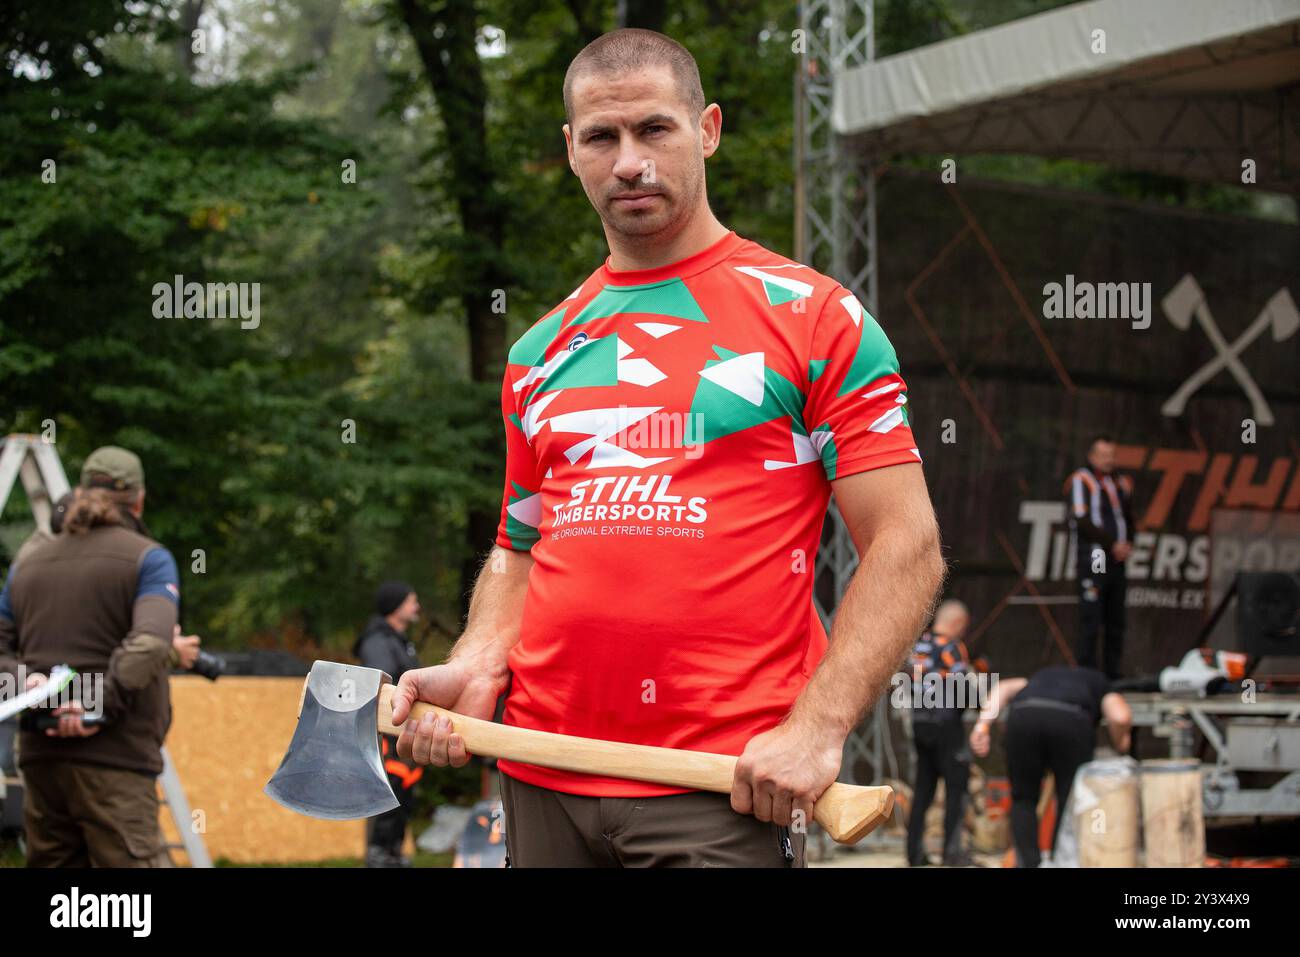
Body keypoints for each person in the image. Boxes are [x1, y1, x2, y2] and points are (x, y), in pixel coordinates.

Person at [389, 28, 944, 868]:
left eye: (655, 130)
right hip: (543, 771)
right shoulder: (539, 350)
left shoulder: (814, 316)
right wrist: (475, 660)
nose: (629, 163)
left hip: (722, 782)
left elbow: (907, 546)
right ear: (570, 150)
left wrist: (816, 728)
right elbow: (520, 544)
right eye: (602, 137)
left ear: (707, 129)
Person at [0, 446, 197, 867]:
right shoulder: (149, 559)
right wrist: (94, 706)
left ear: (81, 492)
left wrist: (36, 690)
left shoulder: (27, 565)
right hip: (116, 761)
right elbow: (149, 643)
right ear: (139, 500)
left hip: (41, 761)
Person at [969, 665, 1131, 868]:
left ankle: (1028, 863)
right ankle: (1061, 860)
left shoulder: (1037, 678)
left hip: (1023, 716)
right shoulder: (1101, 683)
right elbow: (1120, 716)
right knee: (1069, 798)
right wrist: (1122, 743)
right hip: (1071, 720)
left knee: (1023, 798)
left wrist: (983, 726)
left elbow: (1002, 688)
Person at [905, 599, 982, 867]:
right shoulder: (952, 648)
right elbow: (962, 687)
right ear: (958, 623)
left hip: (920, 723)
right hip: (946, 725)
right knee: (956, 789)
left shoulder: (918, 646)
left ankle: (914, 854)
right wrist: (978, 702)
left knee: (923, 789)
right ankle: (952, 853)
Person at [354, 580, 423, 868]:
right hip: (385, 733)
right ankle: (379, 855)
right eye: (411, 601)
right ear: (395, 607)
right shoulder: (377, 642)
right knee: (387, 793)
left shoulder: (399, 641)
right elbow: (381, 686)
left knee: (403, 797)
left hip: (405, 734)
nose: (416, 606)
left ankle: (394, 852)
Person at [1064, 435, 1136, 679]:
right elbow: (1081, 519)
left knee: (1116, 619)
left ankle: (1112, 674)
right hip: (1094, 556)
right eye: (1104, 456)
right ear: (1092, 456)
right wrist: (1112, 543)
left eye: (1112, 456)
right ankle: (1085, 674)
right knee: (1091, 616)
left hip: (1118, 559)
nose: (1109, 461)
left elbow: (1127, 517)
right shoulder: (1082, 480)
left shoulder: (1119, 484)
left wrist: (1128, 543)